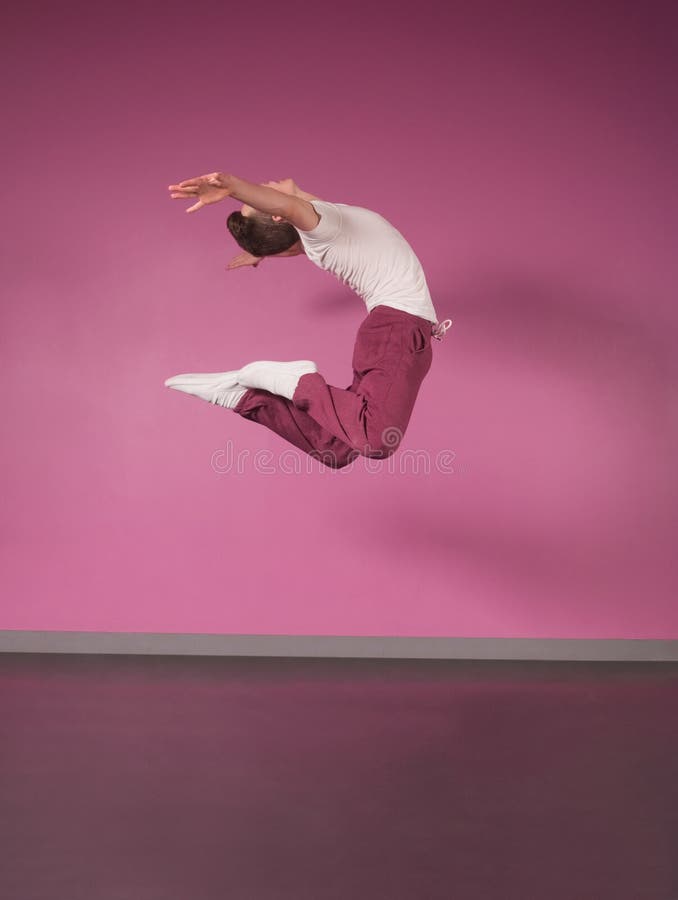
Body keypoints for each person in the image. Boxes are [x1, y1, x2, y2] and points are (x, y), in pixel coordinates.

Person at [164, 173, 452, 469]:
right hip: (398, 330)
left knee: (335, 448)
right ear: (278, 214)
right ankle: (295, 381)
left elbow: (291, 231)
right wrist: (234, 189)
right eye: (259, 196)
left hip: (392, 331)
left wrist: (261, 250)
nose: (264, 185)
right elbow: (291, 208)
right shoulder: (324, 226)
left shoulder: (321, 229)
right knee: (376, 438)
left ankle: (244, 397)